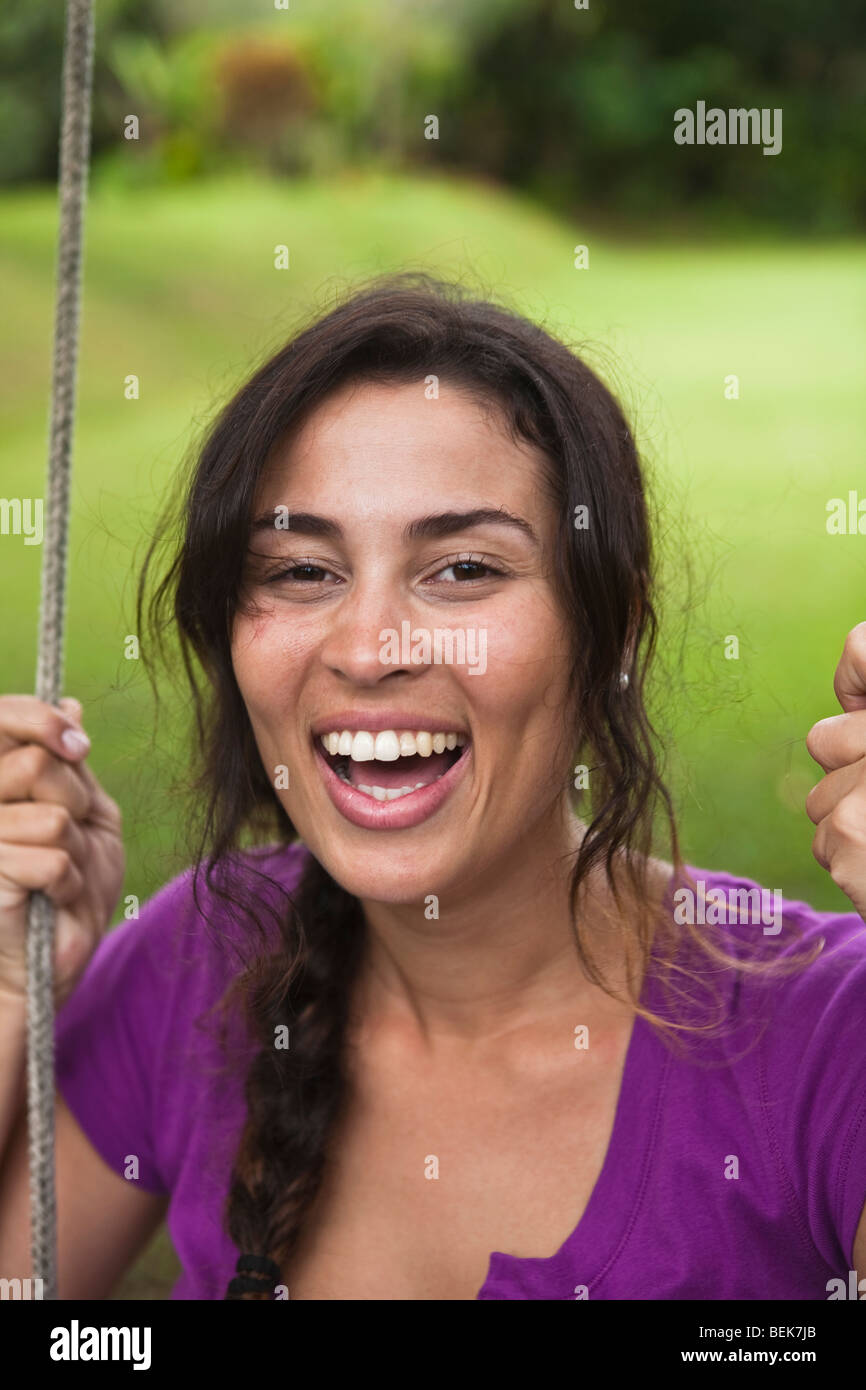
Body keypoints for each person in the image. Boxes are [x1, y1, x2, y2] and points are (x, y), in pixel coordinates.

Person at [1, 274, 865, 1301]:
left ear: (611, 629)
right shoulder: (197, 962)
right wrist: (9, 991)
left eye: (461, 569)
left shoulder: (820, 1042)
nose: (369, 649)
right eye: (299, 571)